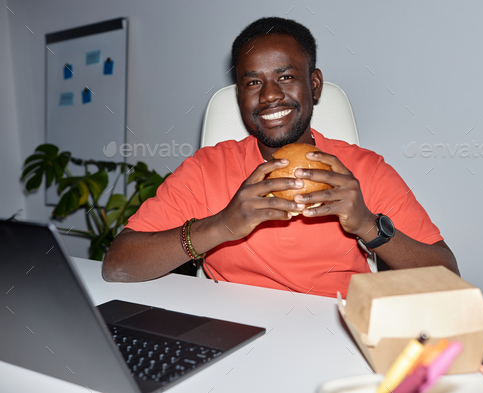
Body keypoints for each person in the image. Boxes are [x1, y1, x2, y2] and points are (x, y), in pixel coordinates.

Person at [102, 17, 459, 297]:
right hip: (231, 331)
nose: (271, 96)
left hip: (336, 333)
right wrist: (221, 225)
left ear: (314, 85)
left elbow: (446, 280)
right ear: (239, 95)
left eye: (286, 77)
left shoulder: (364, 170)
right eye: (253, 82)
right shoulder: (206, 168)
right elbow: (117, 265)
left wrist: (367, 223)